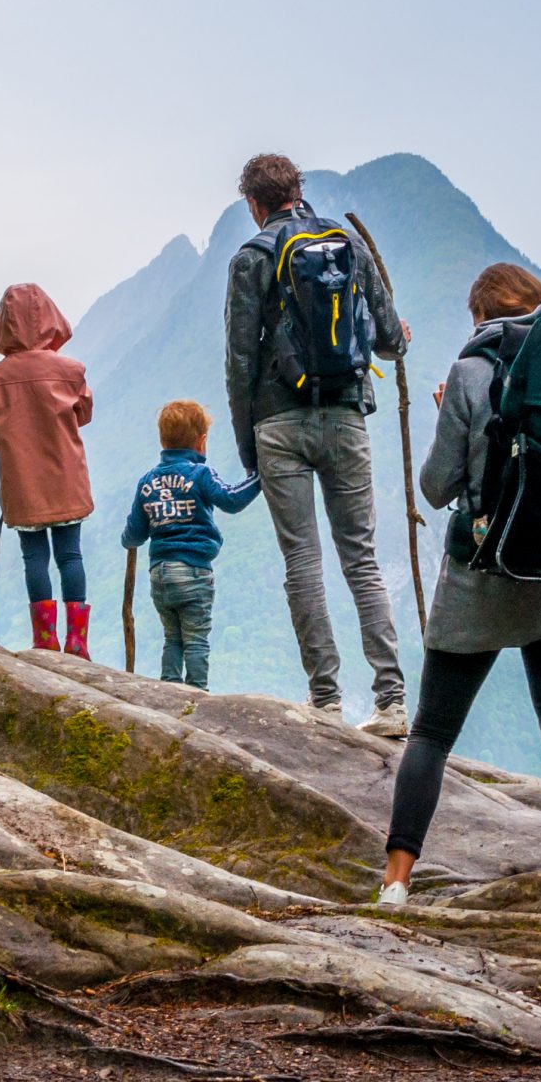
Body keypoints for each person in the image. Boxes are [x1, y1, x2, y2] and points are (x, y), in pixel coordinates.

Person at [375, 262, 541, 905]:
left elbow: (436, 486)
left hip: (482, 572)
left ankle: (396, 884)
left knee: (430, 734)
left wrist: (445, 414)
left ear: (480, 315)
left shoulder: (470, 372)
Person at [222, 152, 411, 736]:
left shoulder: (252, 257)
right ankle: (392, 700)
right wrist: (398, 339)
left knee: (302, 560)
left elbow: (239, 359)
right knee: (361, 555)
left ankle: (325, 702)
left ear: (253, 204)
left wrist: (247, 443)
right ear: (299, 189)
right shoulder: (347, 245)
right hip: (346, 414)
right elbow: (386, 339)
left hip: (278, 424)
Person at [0, 283, 96, 656]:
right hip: (66, 476)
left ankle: (45, 640)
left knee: (35, 558)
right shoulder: (71, 371)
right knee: (70, 556)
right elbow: (84, 415)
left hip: (23, 483)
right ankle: (77, 642)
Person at [119, 399, 263, 688]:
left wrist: (126, 538)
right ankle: (197, 695)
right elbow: (232, 499)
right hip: (194, 570)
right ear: (202, 442)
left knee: (172, 638)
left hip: (160, 575)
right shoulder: (200, 474)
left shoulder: (147, 481)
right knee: (196, 641)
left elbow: (134, 535)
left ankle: (169, 692)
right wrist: (260, 477)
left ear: (163, 440)